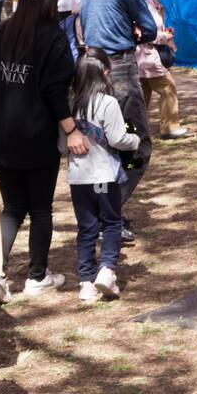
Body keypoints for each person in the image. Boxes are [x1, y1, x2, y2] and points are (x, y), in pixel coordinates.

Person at [0, 0, 87, 301]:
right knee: (40, 209)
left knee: (12, 208)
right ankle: (37, 275)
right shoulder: (53, 36)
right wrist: (71, 130)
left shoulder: (3, 30)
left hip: (0, 135)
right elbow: (55, 91)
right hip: (36, 135)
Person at [75, 0, 157, 240]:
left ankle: (109, 214)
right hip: (120, 68)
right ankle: (108, 212)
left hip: (90, 69)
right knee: (137, 144)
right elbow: (148, 28)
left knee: (103, 145)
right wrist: (138, 31)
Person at [65, 47, 141, 302]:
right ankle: (107, 269)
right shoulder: (108, 103)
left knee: (86, 228)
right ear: (105, 73)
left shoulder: (70, 106)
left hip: (79, 178)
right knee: (111, 223)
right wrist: (135, 140)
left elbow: (60, 144)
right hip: (104, 176)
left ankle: (86, 282)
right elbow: (118, 138)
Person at [138, 0, 188, 140]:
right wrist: (164, 36)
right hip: (147, 56)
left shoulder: (151, 2)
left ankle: (135, 129)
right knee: (168, 87)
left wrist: (163, 33)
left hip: (142, 58)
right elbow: (148, 32)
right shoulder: (148, 4)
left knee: (141, 94)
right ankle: (170, 127)